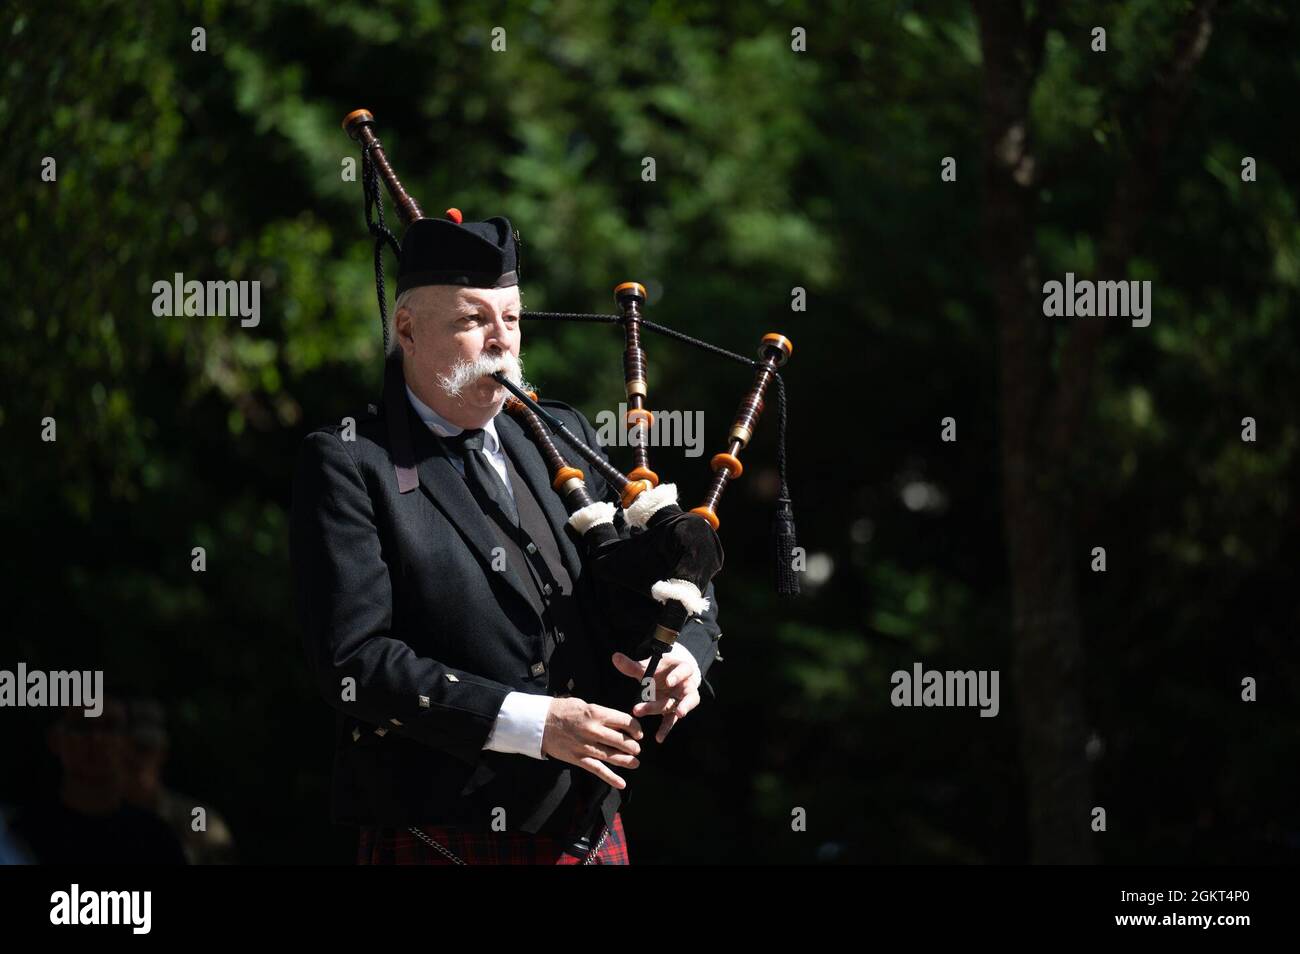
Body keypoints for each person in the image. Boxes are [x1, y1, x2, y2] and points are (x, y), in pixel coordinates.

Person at [290, 212, 721, 864]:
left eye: (512, 319)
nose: (502, 342)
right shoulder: (352, 461)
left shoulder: (557, 431)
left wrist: (685, 650)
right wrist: (534, 723)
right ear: (407, 327)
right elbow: (354, 659)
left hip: (586, 826)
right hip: (441, 827)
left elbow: (662, 569)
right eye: (473, 321)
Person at [9, 699, 186, 865]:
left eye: (110, 727)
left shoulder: (157, 840)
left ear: (127, 741)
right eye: (82, 726)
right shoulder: (18, 837)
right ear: (55, 740)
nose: (96, 739)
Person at [120, 698, 237, 864]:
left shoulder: (198, 821)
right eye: (124, 750)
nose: (134, 760)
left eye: (144, 748)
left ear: (162, 752)